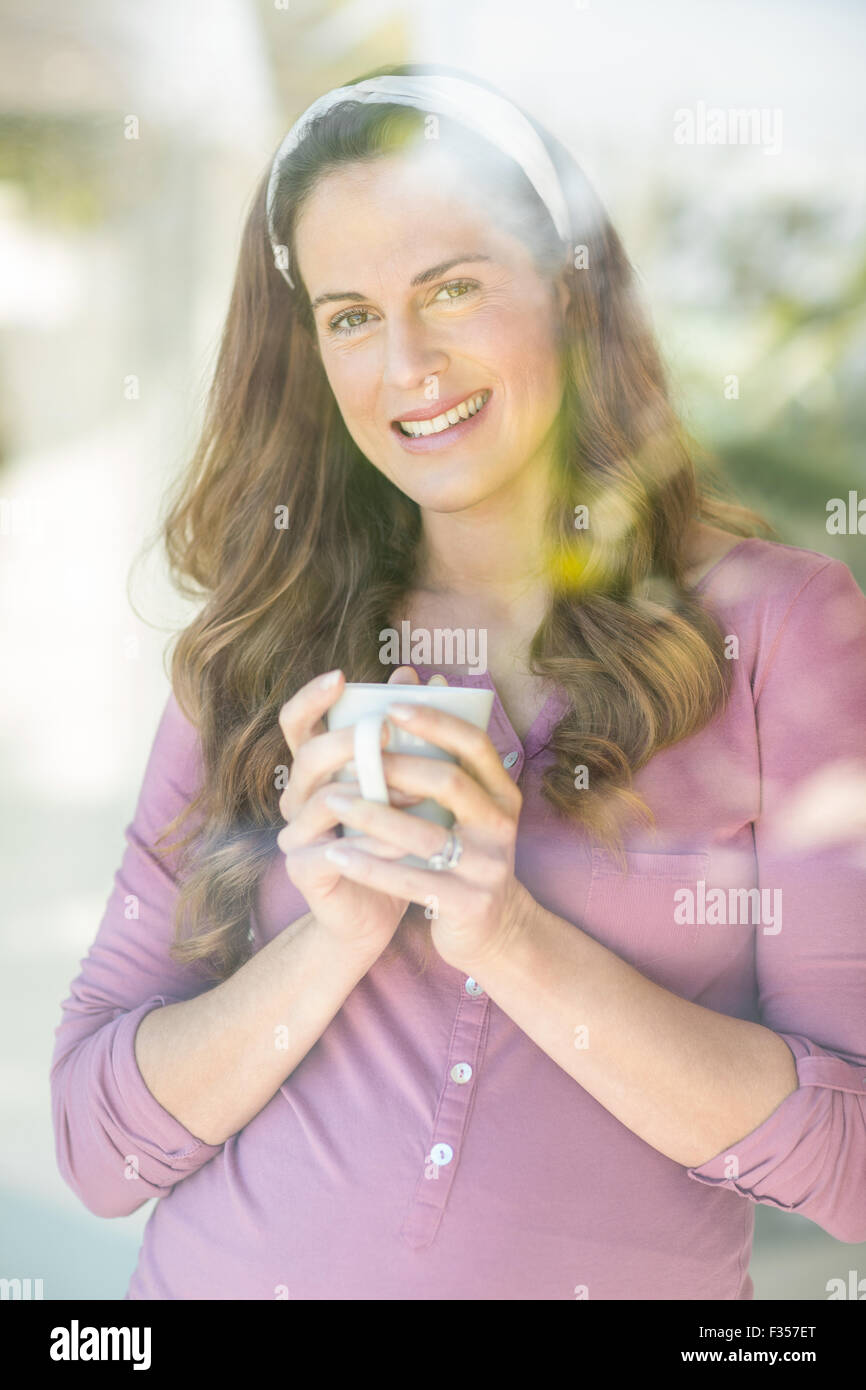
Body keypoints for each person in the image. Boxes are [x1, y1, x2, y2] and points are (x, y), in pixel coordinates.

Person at [51, 63, 866, 1300]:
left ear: (569, 291)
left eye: (452, 288)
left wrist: (508, 934)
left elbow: (850, 1171)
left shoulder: (779, 628)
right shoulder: (264, 641)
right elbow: (94, 1150)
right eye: (349, 315)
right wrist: (330, 934)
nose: (407, 363)